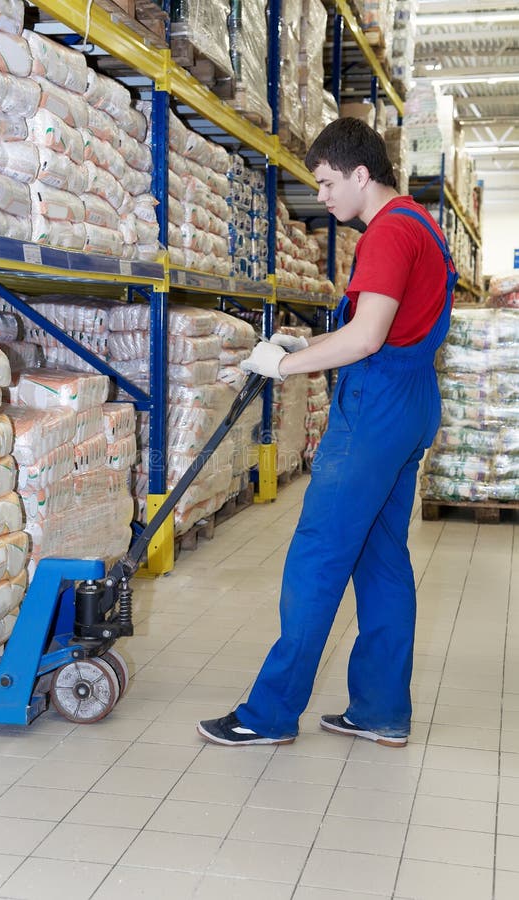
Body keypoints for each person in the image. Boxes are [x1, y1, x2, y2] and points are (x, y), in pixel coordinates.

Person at [197, 117, 458, 749]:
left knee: (316, 558)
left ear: (362, 174)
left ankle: (268, 714)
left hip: (374, 410)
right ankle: (380, 710)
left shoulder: (389, 235)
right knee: (382, 560)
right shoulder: (423, 224)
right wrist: (306, 341)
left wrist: (282, 364)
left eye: (327, 182)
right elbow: (389, 331)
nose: (323, 197)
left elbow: (368, 338)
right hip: (411, 400)